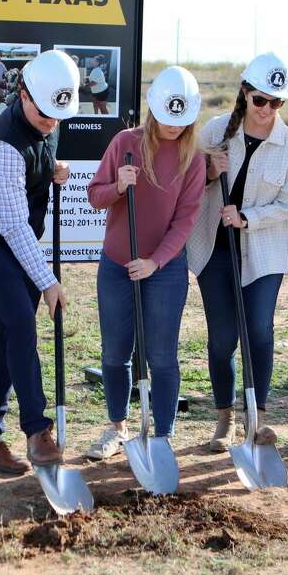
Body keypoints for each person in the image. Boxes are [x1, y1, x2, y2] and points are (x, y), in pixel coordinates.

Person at [0, 49, 78, 473]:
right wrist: (48, 281)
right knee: (22, 322)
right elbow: (11, 225)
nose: (51, 121)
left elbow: (38, 160)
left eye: (57, 114)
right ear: (22, 93)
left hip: (18, 237)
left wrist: (53, 169)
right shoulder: (0, 144)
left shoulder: (49, 118)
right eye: (44, 113)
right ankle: (37, 428)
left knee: (5, 336)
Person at [186, 52, 288, 452]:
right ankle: (225, 418)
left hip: (263, 252)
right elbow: (184, 183)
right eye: (260, 100)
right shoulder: (215, 132)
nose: (267, 110)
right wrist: (206, 171)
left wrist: (247, 217)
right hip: (215, 249)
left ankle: (257, 419)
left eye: (276, 103)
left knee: (258, 331)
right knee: (222, 339)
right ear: (245, 93)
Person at [84, 66, 205, 459]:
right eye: (169, 119)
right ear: (154, 109)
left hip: (163, 269)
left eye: (182, 120)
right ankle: (116, 427)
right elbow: (95, 196)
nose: (174, 127)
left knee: (162, 355)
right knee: (115, 353)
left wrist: (155, 262)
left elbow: (185, 219)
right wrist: (118, 185)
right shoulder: (125, 143)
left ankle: (162, 435)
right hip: (117, 265)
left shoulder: (194, 158)